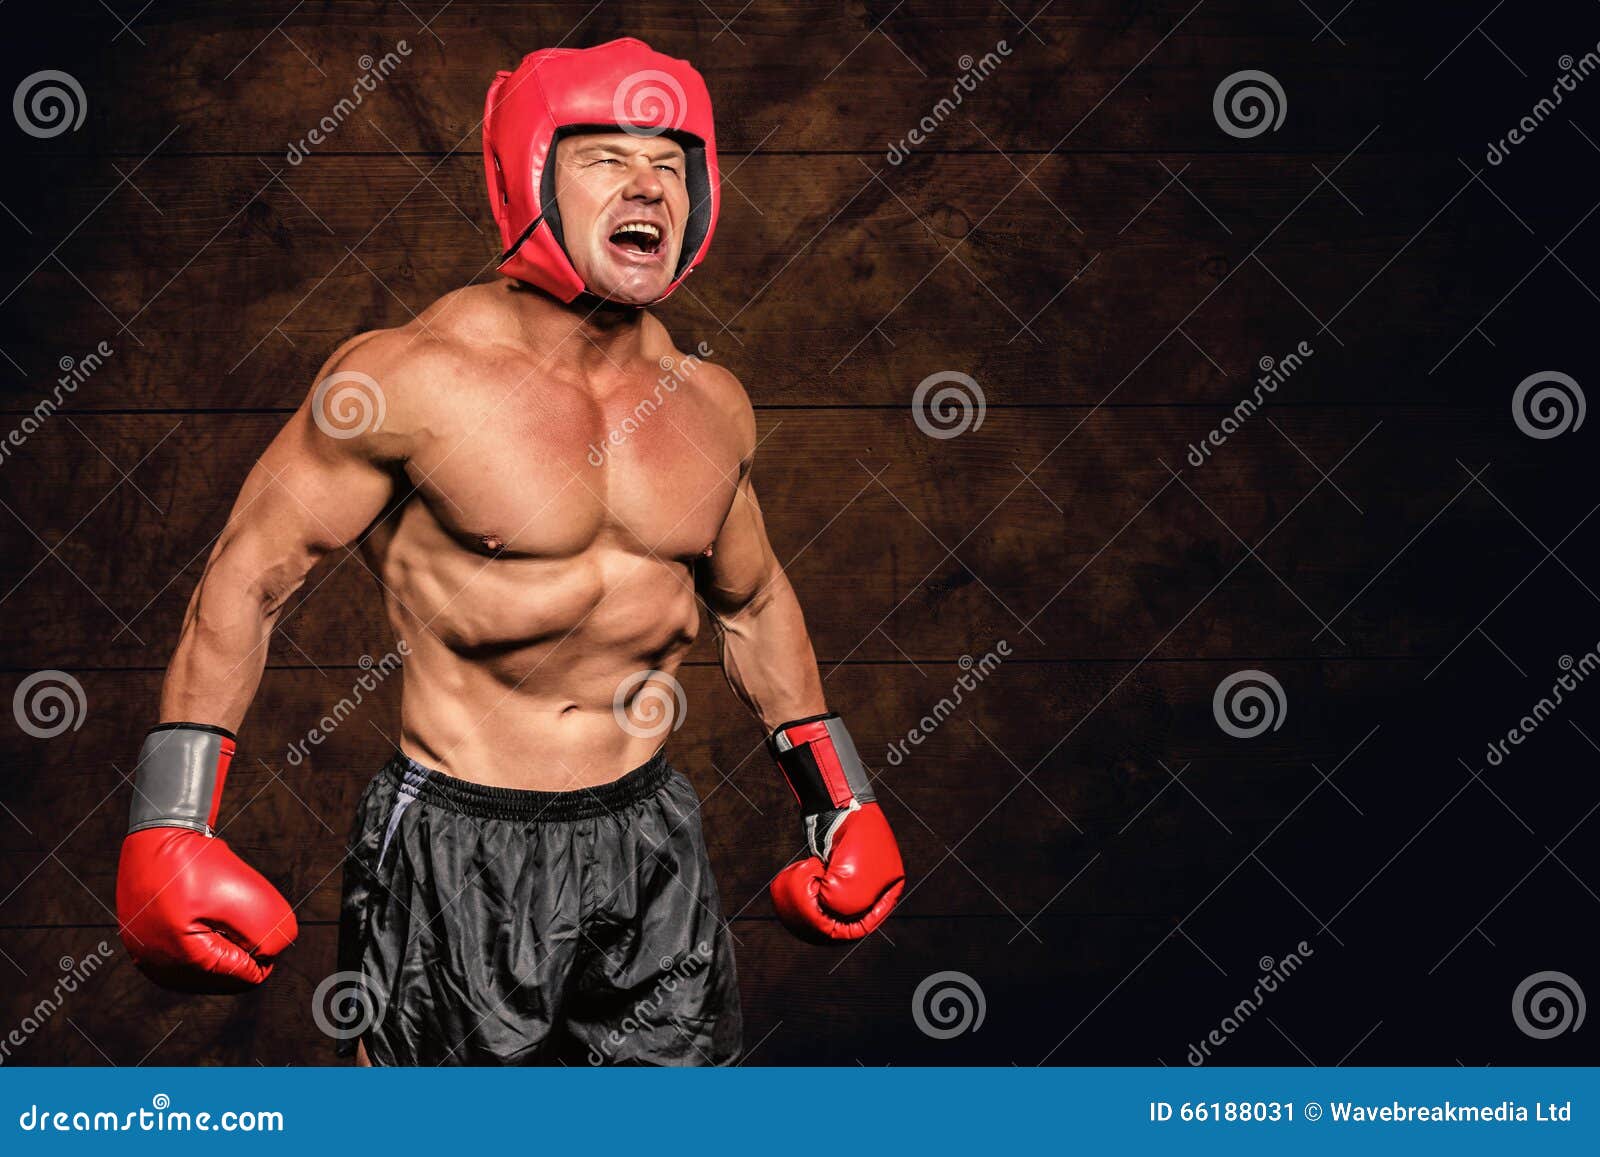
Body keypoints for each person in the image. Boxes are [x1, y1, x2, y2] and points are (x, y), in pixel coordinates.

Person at [113, 37, 905, 1066]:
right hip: (457, 844)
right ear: (533, 178)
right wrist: (170, 823)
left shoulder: (709, 403)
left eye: (670, 164)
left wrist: (841, 801)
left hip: (648, 833)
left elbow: (753, 603)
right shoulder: (410, 377)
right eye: (606, 158)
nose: (646, 187)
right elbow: (246, 576)